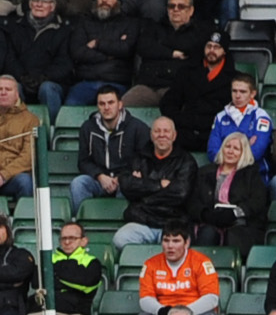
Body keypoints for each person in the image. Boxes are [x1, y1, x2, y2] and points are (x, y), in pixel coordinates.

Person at [114, 116, 198, 251]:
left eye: (166, 131)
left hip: (173, 222)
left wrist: (142, 191)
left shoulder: (186, 161)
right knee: (120, 239)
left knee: (177, 248)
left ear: (174, 135)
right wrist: (159, 185)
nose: (162, 135)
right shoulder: (138, 157)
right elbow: (126, 185)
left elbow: (180, 194)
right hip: (142, 221)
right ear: (151, 135)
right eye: (157, 131)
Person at [133, 224, 225, 315]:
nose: (170, 246)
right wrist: (161, 311)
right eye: (166, 241)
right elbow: (145, 298)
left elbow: (211, 298)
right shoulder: (151, 264)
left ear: (186, 243)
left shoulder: (201, 262)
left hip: (195, 313)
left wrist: (184, 313)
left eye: (176, 241)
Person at [125, 0, 208, 112]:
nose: (175, 9)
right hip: (148, 86)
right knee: (121, 108)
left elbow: (190, 48)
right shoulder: (154, 27)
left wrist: (159, 47)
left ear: (191, 10)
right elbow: (143, 47)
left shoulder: (200, 32)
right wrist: (172, 53)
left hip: (177, 88)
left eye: (181, 6)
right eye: (171, 6)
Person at [72, 85, 150, 212]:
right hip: (99, 180)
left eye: (111, 102)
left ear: (120, 105)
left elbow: (144, 159)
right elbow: (83, 161)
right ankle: (81, 226)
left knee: (130, 185)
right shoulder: (88, 128)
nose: (106, 107)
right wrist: (100, 176)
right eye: (102, 104)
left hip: (125, 180)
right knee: (78, 184)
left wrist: (121, 178)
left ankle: (121, 226)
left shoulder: (137, 128)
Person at [192, 131, 269, 258]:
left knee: (234, 236)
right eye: (228, 146)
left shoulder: (251, 174)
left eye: (236, 148)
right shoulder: (204, 172)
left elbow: (258, 201)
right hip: (210, 221)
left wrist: (235, 213)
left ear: (243, 153)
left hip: (241, 224)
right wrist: (206, 214)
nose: (230, 151)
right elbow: (193, 201)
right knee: (207, 233)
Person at [67, 0, 139, 101]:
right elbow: (77, 52)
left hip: (116, 82)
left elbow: (126, 50)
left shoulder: (129, 23)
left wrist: (97, 43)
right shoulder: (83, 22)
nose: (104, 0)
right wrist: (109, 56)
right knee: (69, 109)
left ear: (118, 1)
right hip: (86, 82)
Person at [165, 31, 238, 153]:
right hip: (187, 131)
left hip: (217, 134)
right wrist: (182, 120)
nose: (212, 51)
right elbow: (169, 102)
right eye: (209, 46)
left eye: (217, 47)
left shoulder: (234, 78)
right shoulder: (186, 73)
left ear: (224, 51)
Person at [7, 0, 72, 120]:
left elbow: (64, 63)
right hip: (22, 79)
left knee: (47, 89)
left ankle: (51, 131)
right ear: (30, 5)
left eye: (44, 2)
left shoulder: (64, 30)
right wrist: (22, 76)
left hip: (50, 82)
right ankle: (12, 131)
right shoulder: (16, 27)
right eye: (35, 1)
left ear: (53, 6)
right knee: (11, 87)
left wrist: (44, 77)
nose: (39, 5)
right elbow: (9, 58)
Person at [207, 73, 273, 181]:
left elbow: (257, 151)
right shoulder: (221, 116)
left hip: (254, 176)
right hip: (224, 174)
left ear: (252, 94)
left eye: (243, 92)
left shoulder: (261, 117)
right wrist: (246, 144)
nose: (237, 96)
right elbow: (212, 150)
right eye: (234, 91)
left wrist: (229, 156)